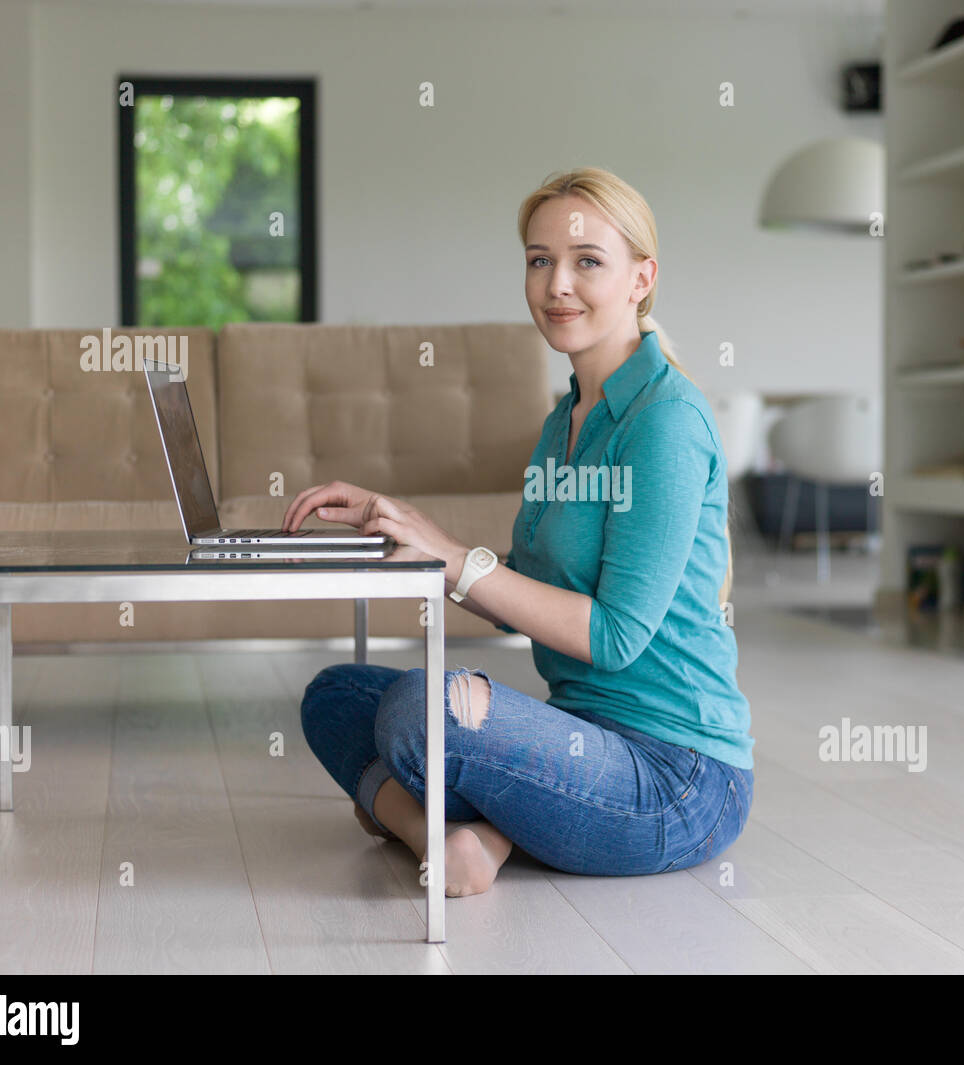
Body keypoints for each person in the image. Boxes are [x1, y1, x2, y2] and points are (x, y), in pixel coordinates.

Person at [288, 167, 754, 897]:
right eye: (540, 261)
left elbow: (615, 636)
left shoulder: (665, 421)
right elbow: (527, 585)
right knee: (337, 695)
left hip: (677, 779)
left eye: (586, 262)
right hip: (578, 733)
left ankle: (464, 821)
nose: (556, 284)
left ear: (642, 277)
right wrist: (412, 538)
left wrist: (453, 560)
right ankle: (450, 838)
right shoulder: (563, 417)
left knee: (418, 711)